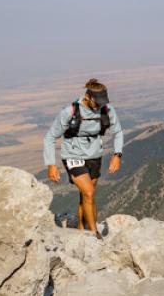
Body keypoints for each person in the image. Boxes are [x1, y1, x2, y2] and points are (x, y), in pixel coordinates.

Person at [43, 78, 124, 237]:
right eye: (97, 101)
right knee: (89, 193)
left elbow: (118, 132)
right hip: (73, 155)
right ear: (88, 96)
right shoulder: (70, 111)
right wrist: (51, 164)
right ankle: (94, 234)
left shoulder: (107, 110)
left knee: (86, 196)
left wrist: (117, 155)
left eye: (103, 101)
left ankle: (82, 229)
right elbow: (50, 137)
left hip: (94, 156)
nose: (100, 105)